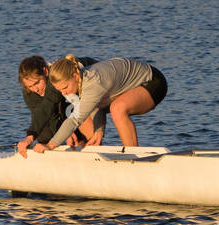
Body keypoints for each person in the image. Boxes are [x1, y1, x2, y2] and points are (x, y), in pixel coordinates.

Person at [18, 55, 167, 154]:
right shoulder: (79, 81)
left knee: (117, 109)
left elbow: (75, 119)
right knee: (82, 109)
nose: (64, 94)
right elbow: (98, 104)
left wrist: (50, 145)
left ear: (75, 77)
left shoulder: (93, 82)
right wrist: (99, 129)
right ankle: (94, 155)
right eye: (60, 91)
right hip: (119, 89)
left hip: (153, 82)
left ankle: (134, 158)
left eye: (65, 88)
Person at [14, 55, 97, 152]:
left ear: (45, 71)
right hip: (65, 102)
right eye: (30, 86)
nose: (35, 89)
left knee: (80, 115)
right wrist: (29, 138)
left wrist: (67, 132)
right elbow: (44, 115)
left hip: (96, 81)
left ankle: (92, 148)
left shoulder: (56, 78)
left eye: (37, 83)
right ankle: (45, 152)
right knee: (44, 129)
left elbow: (50, 104)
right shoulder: (29, 92)